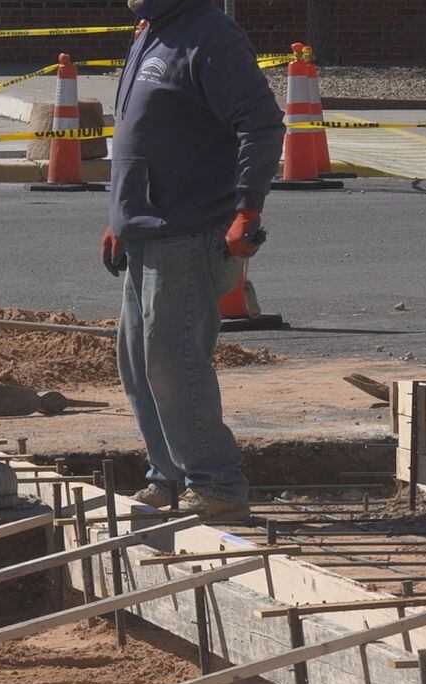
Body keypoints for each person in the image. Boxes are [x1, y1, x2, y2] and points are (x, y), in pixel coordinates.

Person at [102, 0, 283, 522]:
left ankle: (217, 485)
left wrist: (247, 209)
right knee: (139, 364)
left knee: (173, 361)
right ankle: (170, 478)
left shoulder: (210, 36)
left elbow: (262, 125)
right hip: (147, 228)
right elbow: (144, 135)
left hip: (189, 229)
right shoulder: (151, 31)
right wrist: (121, 216)